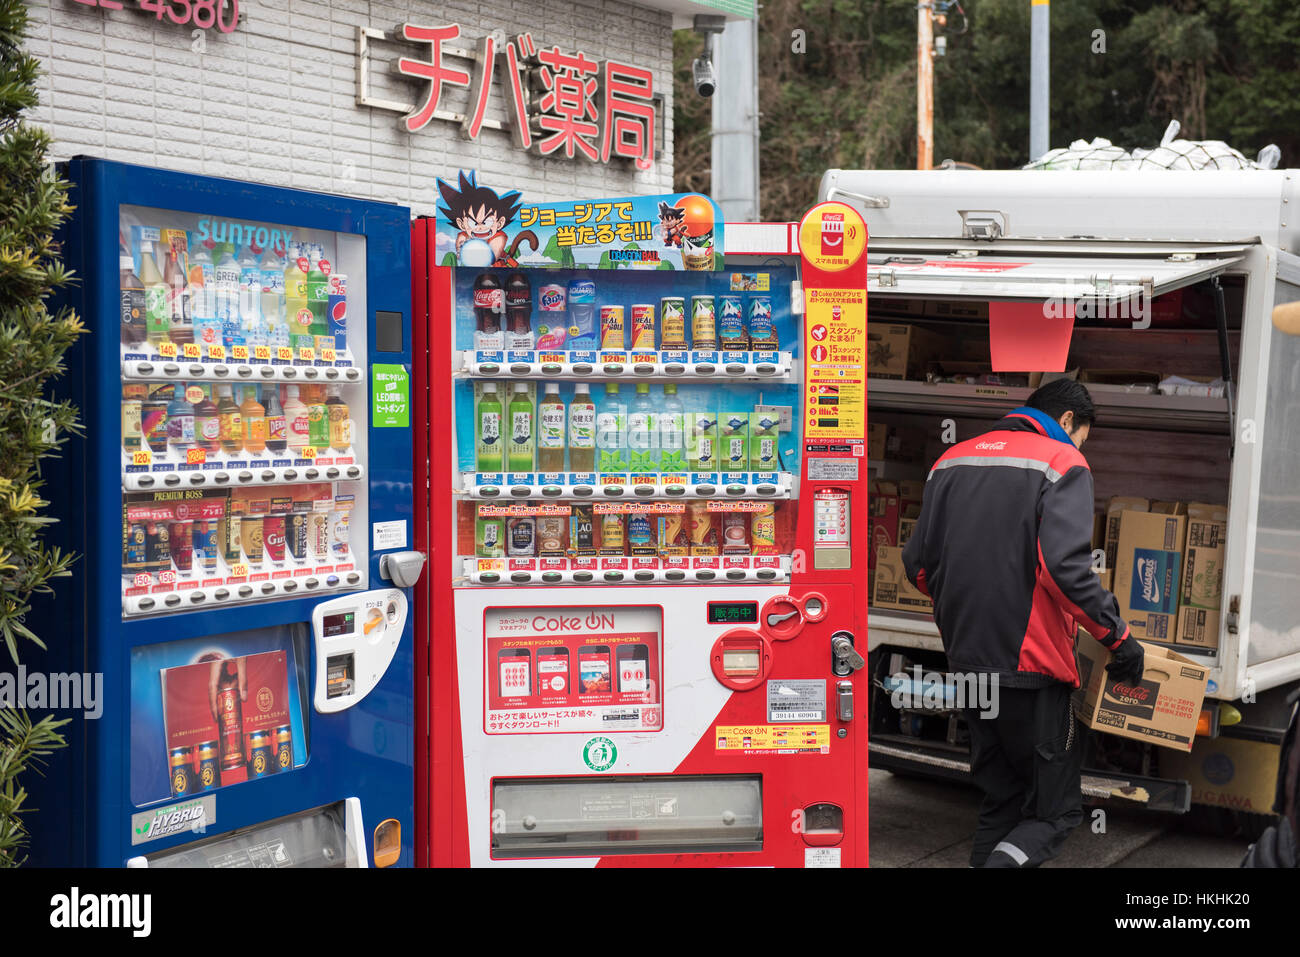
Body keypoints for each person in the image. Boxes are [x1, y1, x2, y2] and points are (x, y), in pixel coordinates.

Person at [901, 378, 1145, 868]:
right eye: (1082, 437)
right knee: (1055, 814)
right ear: (1069, 421)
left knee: (1002, 802)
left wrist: (967, 609)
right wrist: (1117, 636)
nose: (1080, 448)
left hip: (968, 666)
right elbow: (1064, 570)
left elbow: (918, 566)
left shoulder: (950, 461)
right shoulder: (1062, 462)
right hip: (1031, 672)